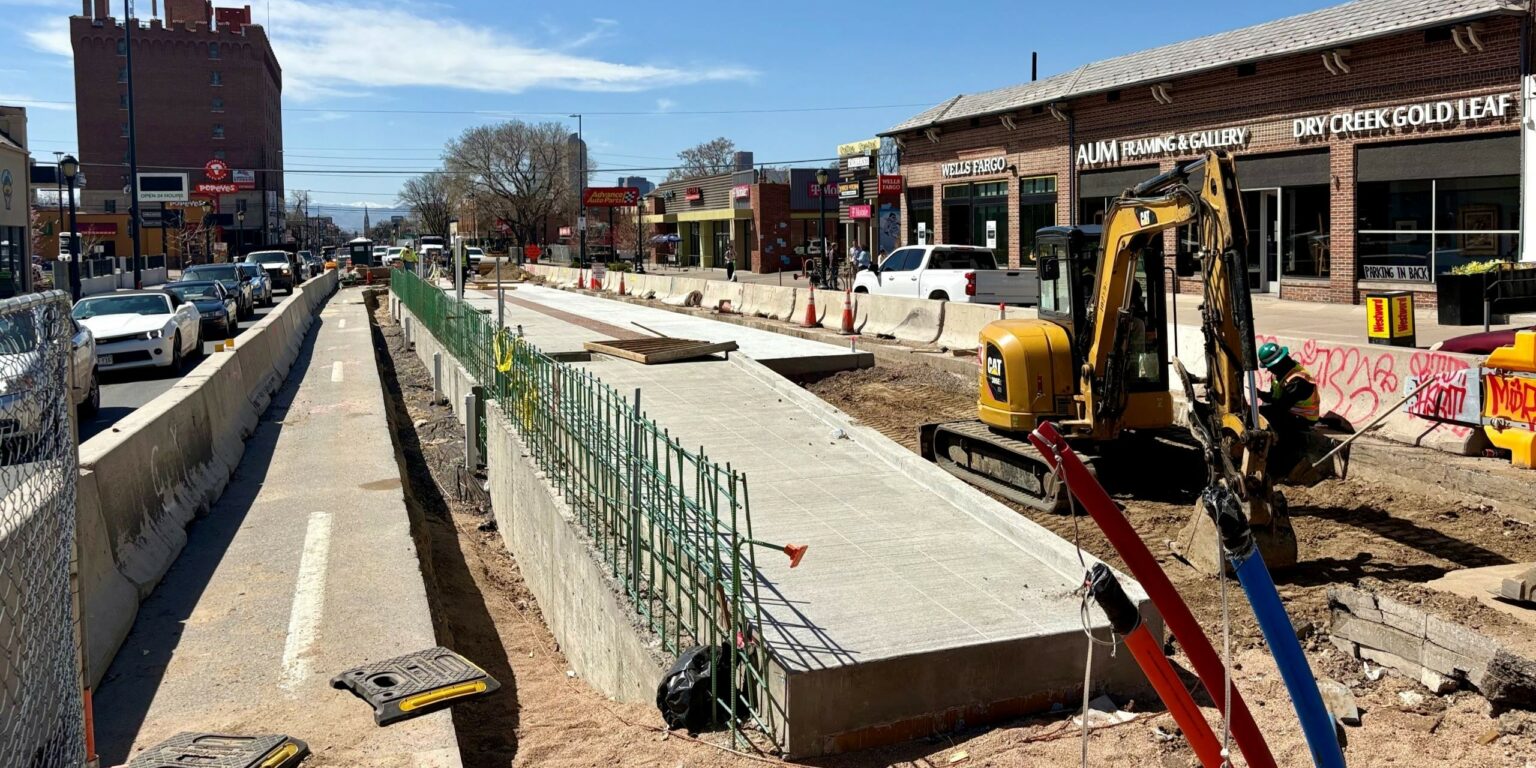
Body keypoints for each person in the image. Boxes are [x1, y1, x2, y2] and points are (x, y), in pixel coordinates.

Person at [1256, 341, 1320, 477]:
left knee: (1274, 427)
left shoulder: (1297, 380)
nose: (1269, 371)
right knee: (1260, 414)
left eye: (1270, 367)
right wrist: (1261, 394)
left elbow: (1280, 406)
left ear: (1278, 364)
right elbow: (1276, 398)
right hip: (1289, 411)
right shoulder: (1281, 374)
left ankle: (1278, 467)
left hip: (1303, 418)